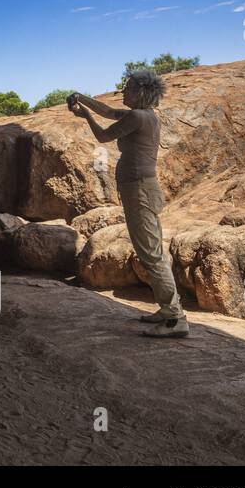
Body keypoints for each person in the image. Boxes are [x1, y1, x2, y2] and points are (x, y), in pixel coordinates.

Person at [69, 70, 189, 338]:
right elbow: (108, 110)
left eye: (128, 87)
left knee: (151, 254)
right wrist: (83, 98)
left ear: (141, 92)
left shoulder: (138, 116)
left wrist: (84, 114)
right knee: (152, 251)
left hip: (140, 192)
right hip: (142, 190)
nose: (123, 91)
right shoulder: (144, 115)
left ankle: (175, 319)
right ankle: (169, 309)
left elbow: (103, 136)